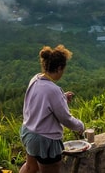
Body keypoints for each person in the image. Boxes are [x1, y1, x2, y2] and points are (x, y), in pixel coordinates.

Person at [20, 45, 85, 173]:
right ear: (59, 68)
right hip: (45, 140)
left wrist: (62, 98)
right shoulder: (53, 90)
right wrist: (80, 126)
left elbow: (42, 102)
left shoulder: (36, 79)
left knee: (30, 167)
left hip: (29, 132)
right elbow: (66, 119)